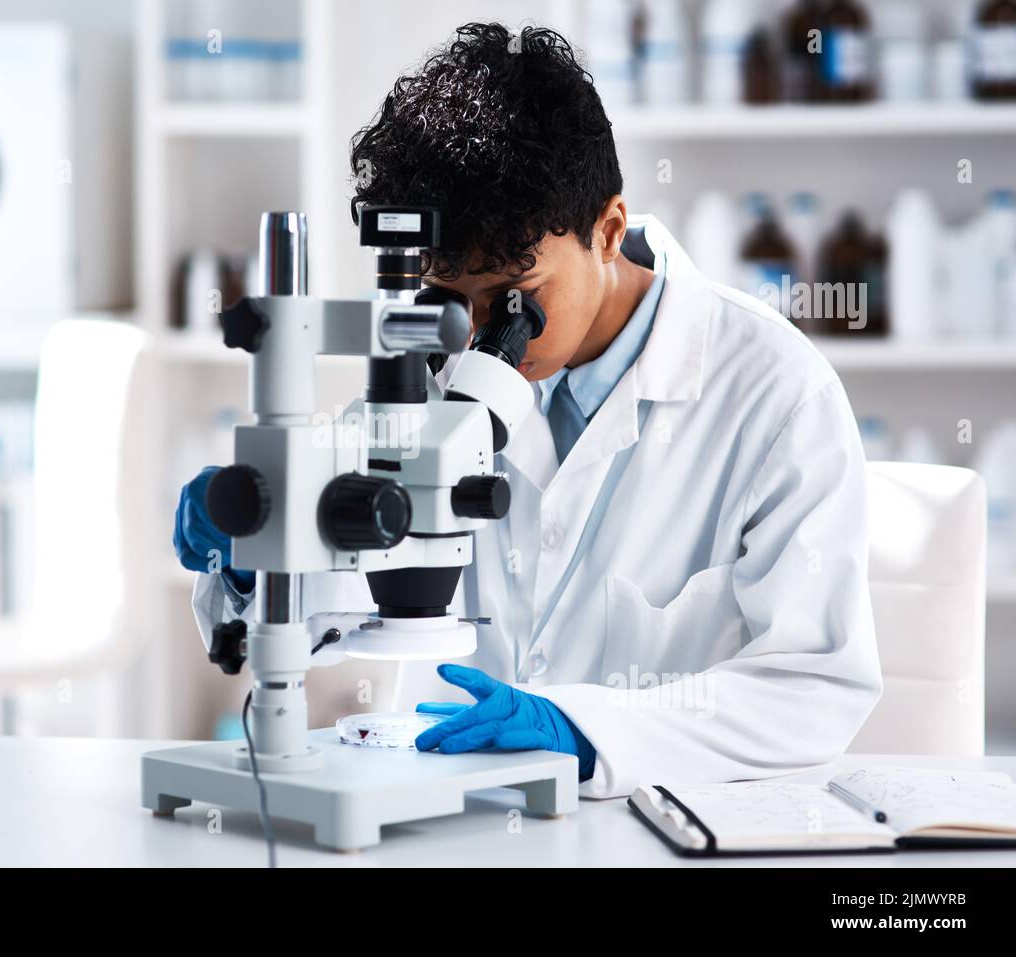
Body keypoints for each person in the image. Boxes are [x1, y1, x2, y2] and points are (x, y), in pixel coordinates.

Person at [174, 22, 881, 798]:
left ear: (607, 230)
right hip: (454, 812)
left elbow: (814, 689)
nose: (476, 336)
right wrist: (256, 549)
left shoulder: (774, 392)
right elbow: (332, 600)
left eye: (514, 299)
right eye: (447, 300)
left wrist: (584, 730)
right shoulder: (429, 367)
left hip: (657, 825)